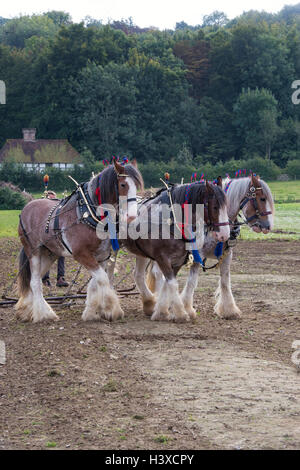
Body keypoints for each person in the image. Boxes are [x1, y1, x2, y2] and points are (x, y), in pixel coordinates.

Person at [42, 190, 69, 288]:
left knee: (61, 255)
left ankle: (60, 278)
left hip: (58, 237)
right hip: (47, 237)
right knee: (47, 257)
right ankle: (45, 279)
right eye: (50, 199)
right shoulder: (43, 211)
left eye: (54, 199)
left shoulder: (59, 209)